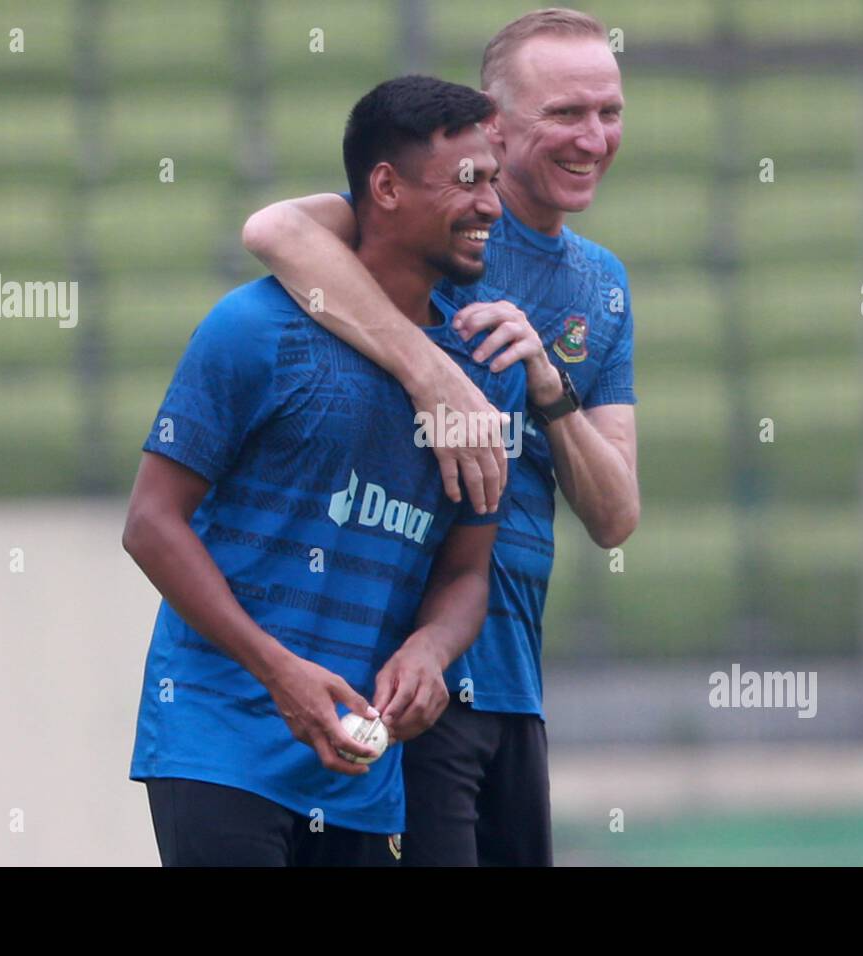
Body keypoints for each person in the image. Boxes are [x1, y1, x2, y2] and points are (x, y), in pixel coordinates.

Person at [241, 8, 638, 866]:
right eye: (565, 114)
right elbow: (274, 231)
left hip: (514, 682)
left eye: (608, 112)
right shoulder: (431, 224)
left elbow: (616, 515)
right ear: (494, 126)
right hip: (407, 671)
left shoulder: (603, 285)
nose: (593, 137)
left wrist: (548, 389)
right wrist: (434, 374)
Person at [124, 75, 526, 866]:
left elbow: (466, 573)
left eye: (495, 183)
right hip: (221, 739)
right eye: (469, 182)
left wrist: (432, 651)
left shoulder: (487, 373)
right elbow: (150, 524)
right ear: (386, 187)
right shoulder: (253, 327)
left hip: (361, 771)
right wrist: (278, 671)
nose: (491, 206)